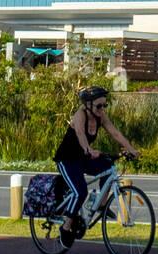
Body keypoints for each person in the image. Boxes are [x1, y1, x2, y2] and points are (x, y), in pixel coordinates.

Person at [54, 85, 137, 243]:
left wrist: (131, 149)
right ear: (88, 104)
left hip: (84, 158)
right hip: (68, 159)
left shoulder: (101, 117)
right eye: (99, 105)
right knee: (80, 192)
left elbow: (115, 132)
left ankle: (101, 205)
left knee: (108, 167)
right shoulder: (80, 115)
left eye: (105, 105)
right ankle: (65, 228)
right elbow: (79, 133)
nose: (102, 108)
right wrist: (88, 149)